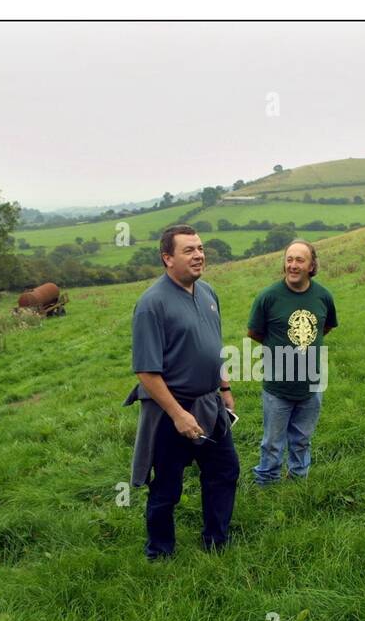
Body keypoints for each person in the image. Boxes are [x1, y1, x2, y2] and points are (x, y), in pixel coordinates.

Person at [125, 224, 239, 560]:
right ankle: (159, 552)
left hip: (210, 403)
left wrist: (225, 387)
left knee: (224, 471)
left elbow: (213, 346)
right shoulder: (151, 304)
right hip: (169, 412)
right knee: (167, 487)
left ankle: (216, 541)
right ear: (167, 258)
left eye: (200, 248)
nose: (199, 255)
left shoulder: (208, 293)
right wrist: (179, 415)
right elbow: (146, 370)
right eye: (188, 250)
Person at [247, 238, 338, 485]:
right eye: (289, 259)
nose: (293, 265)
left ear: (311, 265)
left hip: (312, 385)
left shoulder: (323, 296)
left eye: (300, 260)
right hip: (278, 387)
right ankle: (267, 483)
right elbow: (254, 333)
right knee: (272, 443)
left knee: (301, 439)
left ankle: (298, 482)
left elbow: (324, 327)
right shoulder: (268, 297)